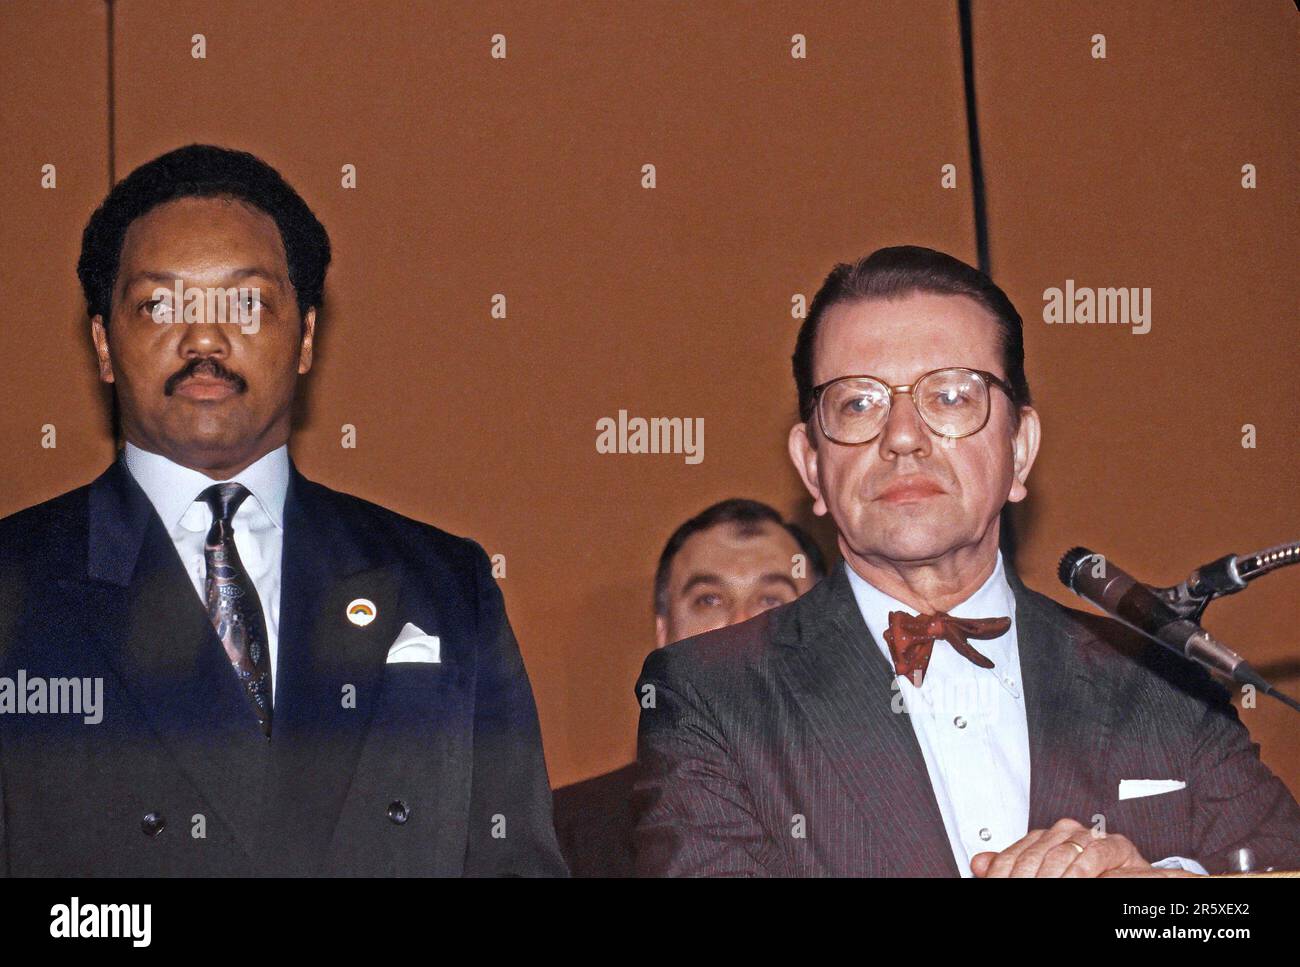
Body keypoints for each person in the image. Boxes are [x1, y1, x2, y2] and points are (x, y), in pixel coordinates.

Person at [634, 245, 1300, 877]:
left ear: (1019, 449)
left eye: (951, 395)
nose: (901, 436)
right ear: (813, 466)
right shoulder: (713, 695)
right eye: (859, 402)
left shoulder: (1160, 678)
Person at [0, 145, 565, 876]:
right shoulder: (16, 585)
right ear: (105, 344)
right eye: (159, 304)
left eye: (245, 302)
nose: (205, 339)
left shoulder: (445, 585)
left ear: (304, 337)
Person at [553, 499, 825, 876]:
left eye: (771, 600)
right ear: (664, 633)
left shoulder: (889, 814)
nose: (740, 624)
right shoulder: (565, 836)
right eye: (709, 600)